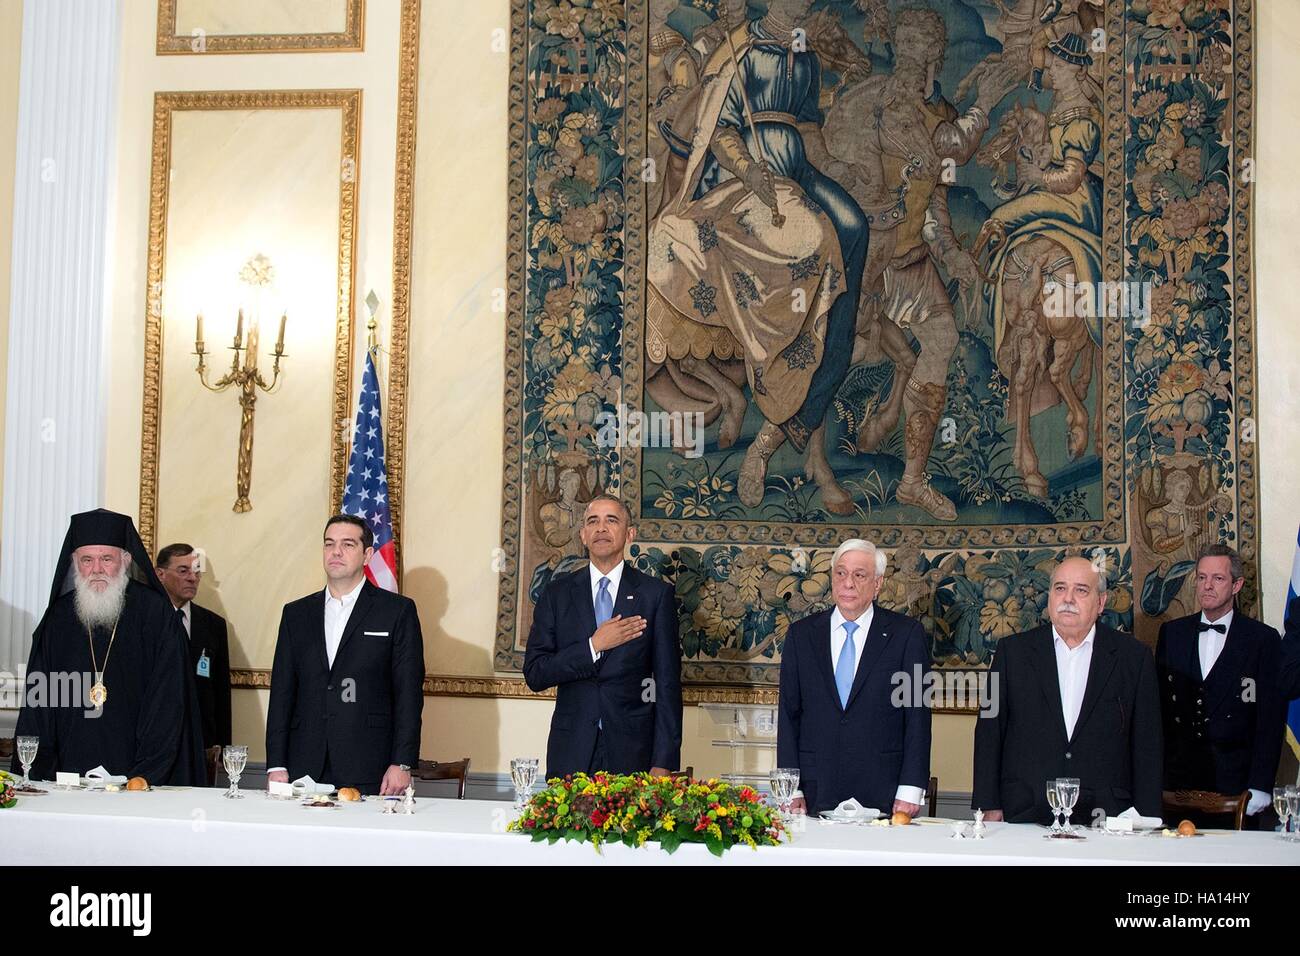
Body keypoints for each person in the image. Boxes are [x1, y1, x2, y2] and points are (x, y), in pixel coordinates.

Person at [12, 509, 205, 784]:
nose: (97, 569)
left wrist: (145, 773)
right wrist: (41, 771)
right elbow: (40, 703)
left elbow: (168, 701)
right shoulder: (59, 618)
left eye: (106, 559)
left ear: (125, 561)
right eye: (87, 560)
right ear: (74, 563)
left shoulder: (155, 614)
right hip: (66, 776)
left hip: (139, 774)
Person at [973, 556, 1162, 824]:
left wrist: (1148, 819)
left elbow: (1147, 745)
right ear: (1050, 596)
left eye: (1081, 590)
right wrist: (987, 804)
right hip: (1024, 810)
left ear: (1101, 602)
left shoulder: (1134, 658)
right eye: (1060, 588)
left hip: (1107, 816)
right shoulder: (1010, 652)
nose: (1068, 598)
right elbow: (989, 732)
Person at [524, 494, 682, 780]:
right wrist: (593, 647)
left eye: (611, 520)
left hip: (635, 753)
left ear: (629, 533)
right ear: (583, 535)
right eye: (592, 521)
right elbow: (536, 673)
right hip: (571, 752)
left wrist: (664, 761)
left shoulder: (655, 596)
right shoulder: (557, 594)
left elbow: (667, 684)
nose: (601, 529)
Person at [265, 514, 425, 796]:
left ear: (367, 555)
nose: (336, 552)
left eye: (347, 544)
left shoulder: (397, 612)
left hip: (369, 764)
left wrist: (402, 762)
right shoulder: (296, 614)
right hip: (303, 765)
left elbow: (408, 695)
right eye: (329, 544)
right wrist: (276, 764)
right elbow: (281, 693)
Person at [778, 539, 932, 816]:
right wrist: (791, 788)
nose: (848, 583)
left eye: (859, 575)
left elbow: (917, 716)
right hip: (816, 789)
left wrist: (911, 787)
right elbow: (789, 715)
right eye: (841, 573)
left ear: (877, 584)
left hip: (884, 789)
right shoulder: (801, 635)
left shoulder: (906, 635)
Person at [1156, 545, 1285, 826]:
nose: (1207, 586)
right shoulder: (1172, 633)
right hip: (1179, 784)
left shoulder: (1262, 640)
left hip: (1236, 785)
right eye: (1201, 578)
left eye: (1218, 578)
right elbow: (1161, 713)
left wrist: (1261, 784)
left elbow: (1270, 719)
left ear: (1236, 584)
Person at [156, 542, 231, 751]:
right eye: (183, 571)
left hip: (201, 742)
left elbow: (221, 692)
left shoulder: (213, 624)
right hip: (157, 741)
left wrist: (221, 745)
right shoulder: (147, 622)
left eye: (197, 572)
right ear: (160, 574)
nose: (192, 578)